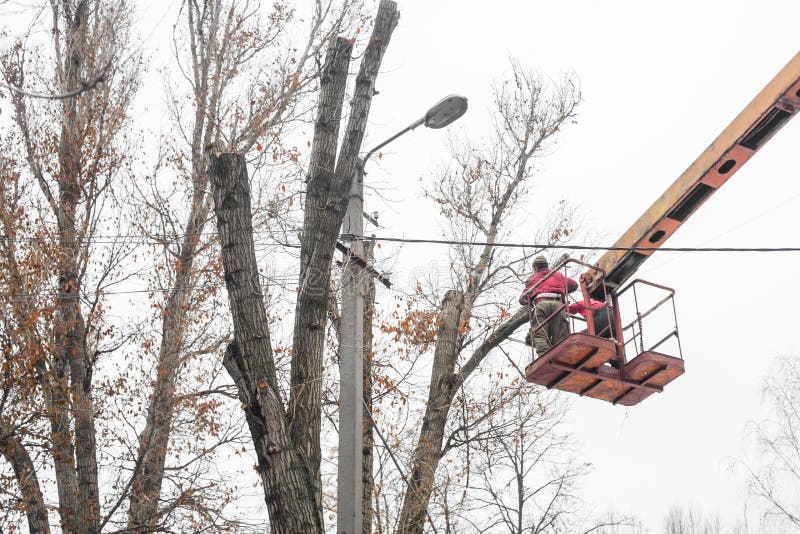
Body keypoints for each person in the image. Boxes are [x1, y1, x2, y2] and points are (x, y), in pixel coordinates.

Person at [519, 255, 578, 358]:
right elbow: (574, 284)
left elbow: (522, 299)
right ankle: (562, 356)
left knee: (540, 334)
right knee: (560, 334)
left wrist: (529, 298)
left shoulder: (532, 279)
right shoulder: (558, 275)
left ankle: (545, 357)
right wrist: (564, 290)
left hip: (541, 304)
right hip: (558, 305)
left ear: (536, 268)